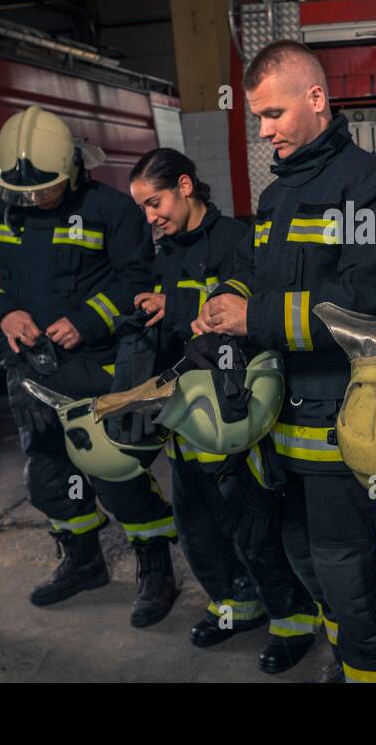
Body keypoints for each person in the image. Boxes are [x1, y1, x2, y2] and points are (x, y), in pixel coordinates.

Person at [193, 40, 376, 682]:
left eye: (273, 115)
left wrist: (254, 318)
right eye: (257, 118)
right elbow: (249, 267)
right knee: (302, 555)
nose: (264, 132)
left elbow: (364, 307)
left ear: (316, 100)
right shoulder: (278, 195)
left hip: (347, 428)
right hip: (279, 424)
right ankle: (350, 660)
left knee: (352, 569)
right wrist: (224, 299)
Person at [0, 105, 178, 627]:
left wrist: (87, 322)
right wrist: (3, 313)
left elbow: (138, 281)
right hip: (31, 370)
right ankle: (83, 562)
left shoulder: (112, 211)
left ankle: (155, 568)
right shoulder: (0, 208)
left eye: (44, 190)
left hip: (98, 368)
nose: (33, 200)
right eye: (23, 192)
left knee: (116, 472)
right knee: (48, 475)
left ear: (74, 169)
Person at [112, 148, 319, 673]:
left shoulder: (236, 243)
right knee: (197, 526)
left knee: (252, 527)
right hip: (181, 418)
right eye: (141, 208)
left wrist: (177, 308)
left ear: (185, 185)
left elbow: (237, 318)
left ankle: (293, 623)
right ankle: (235, 607)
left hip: (230, 414)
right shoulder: (165, 251)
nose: (150, 216)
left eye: (154, 202)